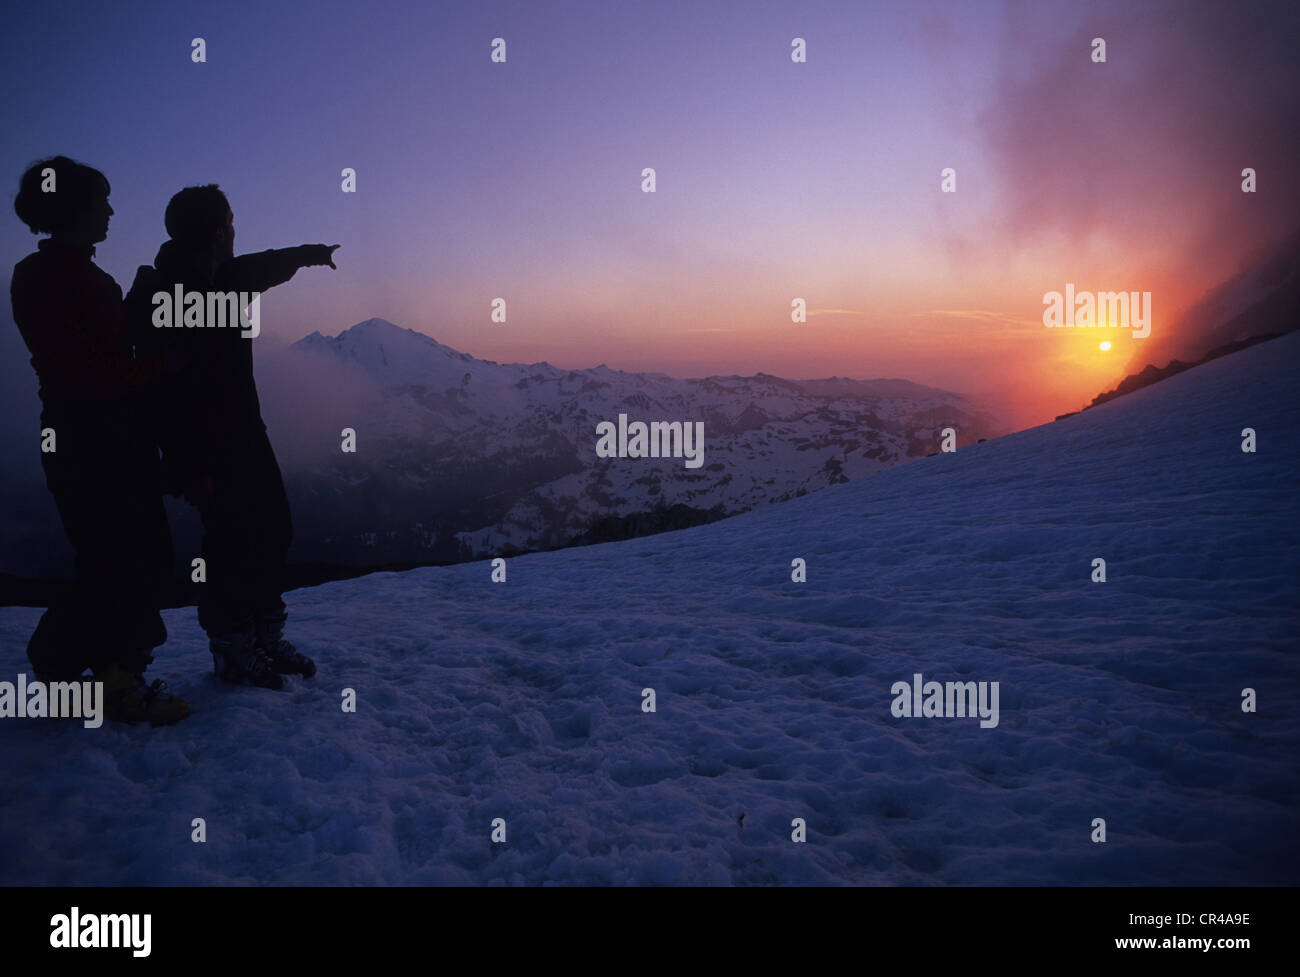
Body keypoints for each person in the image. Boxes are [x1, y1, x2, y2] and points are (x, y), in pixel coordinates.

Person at [125, 184, 338, 690]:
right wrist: (190, 464)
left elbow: (262, 266)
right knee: (231, 543)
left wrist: (309, 256)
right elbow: (162, 391)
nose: (238, 232)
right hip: (208, 446)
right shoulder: (171, 296)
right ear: (220, 231)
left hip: (244, 431)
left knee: (272, 530)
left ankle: (263, 636)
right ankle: (233, 647)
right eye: (233, 223)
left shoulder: (220, 279)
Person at [10, 156, 189, 725]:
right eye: (103, 199)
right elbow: (83, 372)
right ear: (74, 207)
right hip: (85, 434)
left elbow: (104, 354)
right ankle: (102, 673)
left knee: (129, 554)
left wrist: (138, 305)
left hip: (111, 433)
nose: (112, 209)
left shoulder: (84, 275)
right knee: (121, 555)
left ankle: (83, 667)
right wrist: (163, 368)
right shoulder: (42, 277)